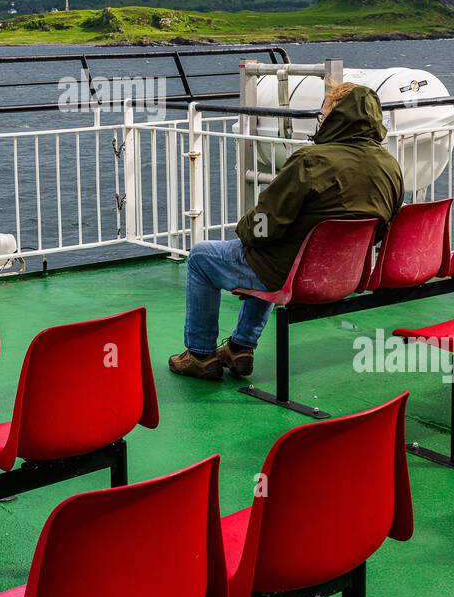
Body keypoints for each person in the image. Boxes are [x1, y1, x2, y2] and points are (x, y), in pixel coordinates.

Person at [168, 82, 405, 380]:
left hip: (293, 276)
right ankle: (240, 346)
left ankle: (200, 354)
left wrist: (245, 231)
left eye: (324, 113)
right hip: (344, 276)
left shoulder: (311, 161)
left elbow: (266, 224)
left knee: (203, 256)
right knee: (270, 252)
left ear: (335, 117)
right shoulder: (390, 166)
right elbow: (384, 228)